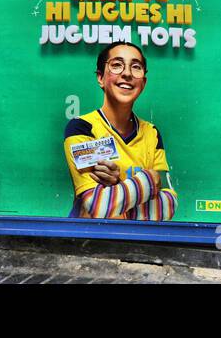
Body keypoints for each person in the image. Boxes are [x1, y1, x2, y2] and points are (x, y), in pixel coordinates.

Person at [63, 42, 178, 220]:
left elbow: (169, 205)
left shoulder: (152, 132)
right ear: (100, 78)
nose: (127, 73)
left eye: (136, 67)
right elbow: (95, 207)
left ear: (143, 82)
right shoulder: (82, 127)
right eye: (116, 65)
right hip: (89, 242)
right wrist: (149, 179)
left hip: (138, 243)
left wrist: (117, 184)